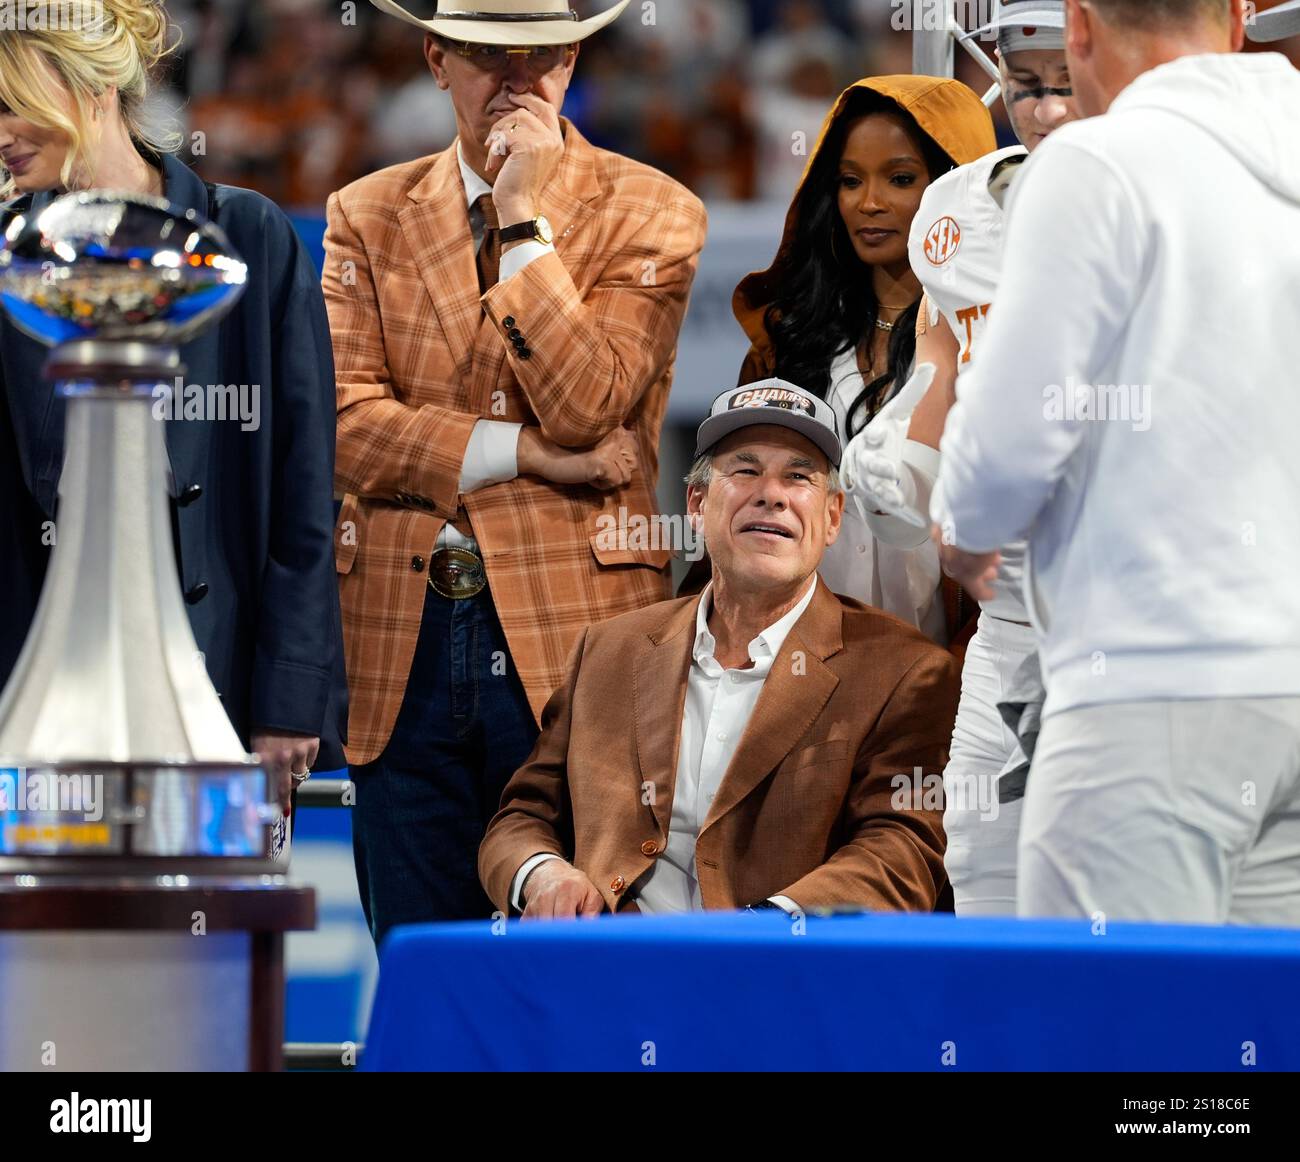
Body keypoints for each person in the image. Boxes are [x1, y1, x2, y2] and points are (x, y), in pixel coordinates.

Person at [331, 1, 707, 944]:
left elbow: (590, 404)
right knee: (417, 965)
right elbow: (343, 426)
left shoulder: (655, 207)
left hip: (575, 640)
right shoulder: (363, 212)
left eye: (539, 55)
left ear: (572, 61)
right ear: (436, 60)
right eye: (484, 53)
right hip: (395, 644)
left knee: (577, 973)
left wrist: (523, 216)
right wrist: (529, 455)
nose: (515, 76)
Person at [932, 0, 1300, 924]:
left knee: (1115, 1030)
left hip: (1149, 684)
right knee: (1259, 1031)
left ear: (1081, 28)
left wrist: (967, 529)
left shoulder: (1096, 163)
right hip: (1284, 683)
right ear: (1237, 19)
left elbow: (1010, 434)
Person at [0, 0, 346, 810]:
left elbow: (305, 493)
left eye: (13, 102)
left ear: (87, 91)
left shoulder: (249, 237)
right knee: (49, 936)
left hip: (217, 690)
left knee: (209, 936)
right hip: (44, 698)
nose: (1, 132)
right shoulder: (12, 269)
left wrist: (289, 696)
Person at [480, 380, 960, 918]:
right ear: (696, 504)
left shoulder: (905, 671)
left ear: (831, 519)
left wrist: (771, 925)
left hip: (776, 978)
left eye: (799, 476)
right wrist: (543, 874)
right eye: (746, 470)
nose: (771, 493)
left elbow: (902, 854)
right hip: (608, 967)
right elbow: (522, 816)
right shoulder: (607, 648)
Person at [840, 0, 1079, 914]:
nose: (1045, 109)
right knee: (979, 857)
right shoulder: (954, 210)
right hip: (1009, 607)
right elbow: (940, 357)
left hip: (1121, 606)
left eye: (1064, 85)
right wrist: (906, 446)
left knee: (1112, 868)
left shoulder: (1159, 201)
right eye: (1026, 88)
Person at [731, 76, 995, 641]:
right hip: (800, 666)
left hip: (951, 671)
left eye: (900, 179)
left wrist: (956, 678)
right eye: (850, 181)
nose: (868, 203)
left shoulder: (991, 344)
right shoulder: (790, 340)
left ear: (956, 189)